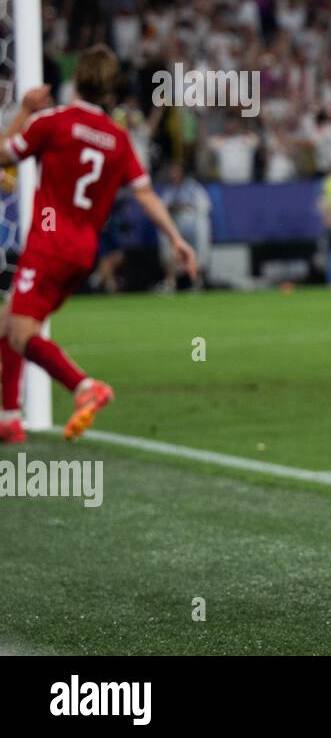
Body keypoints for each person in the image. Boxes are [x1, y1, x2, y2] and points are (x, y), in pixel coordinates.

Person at [0, 45, 197, 444]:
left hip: (48, 243)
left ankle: (83, 386)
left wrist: (24, 110)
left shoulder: (53, 122)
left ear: (76, 81)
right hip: (83, 251)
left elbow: (2, 155)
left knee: (20, 333)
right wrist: (176, 238)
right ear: (110, 92)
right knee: (9, 325)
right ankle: (8, 418)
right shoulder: (117, 139)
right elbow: (144, 194)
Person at [157, 161, 211, 291]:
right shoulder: (170, 190)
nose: (173, 174)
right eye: (172, 171)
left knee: (195, 253)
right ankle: (170, 282)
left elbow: (204, 206)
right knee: (173, 252)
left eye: (175, 171)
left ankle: (196, 281)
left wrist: (184, 207)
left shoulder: (194, 188)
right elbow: (161, 207)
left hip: (193, 225)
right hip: (176, 226)